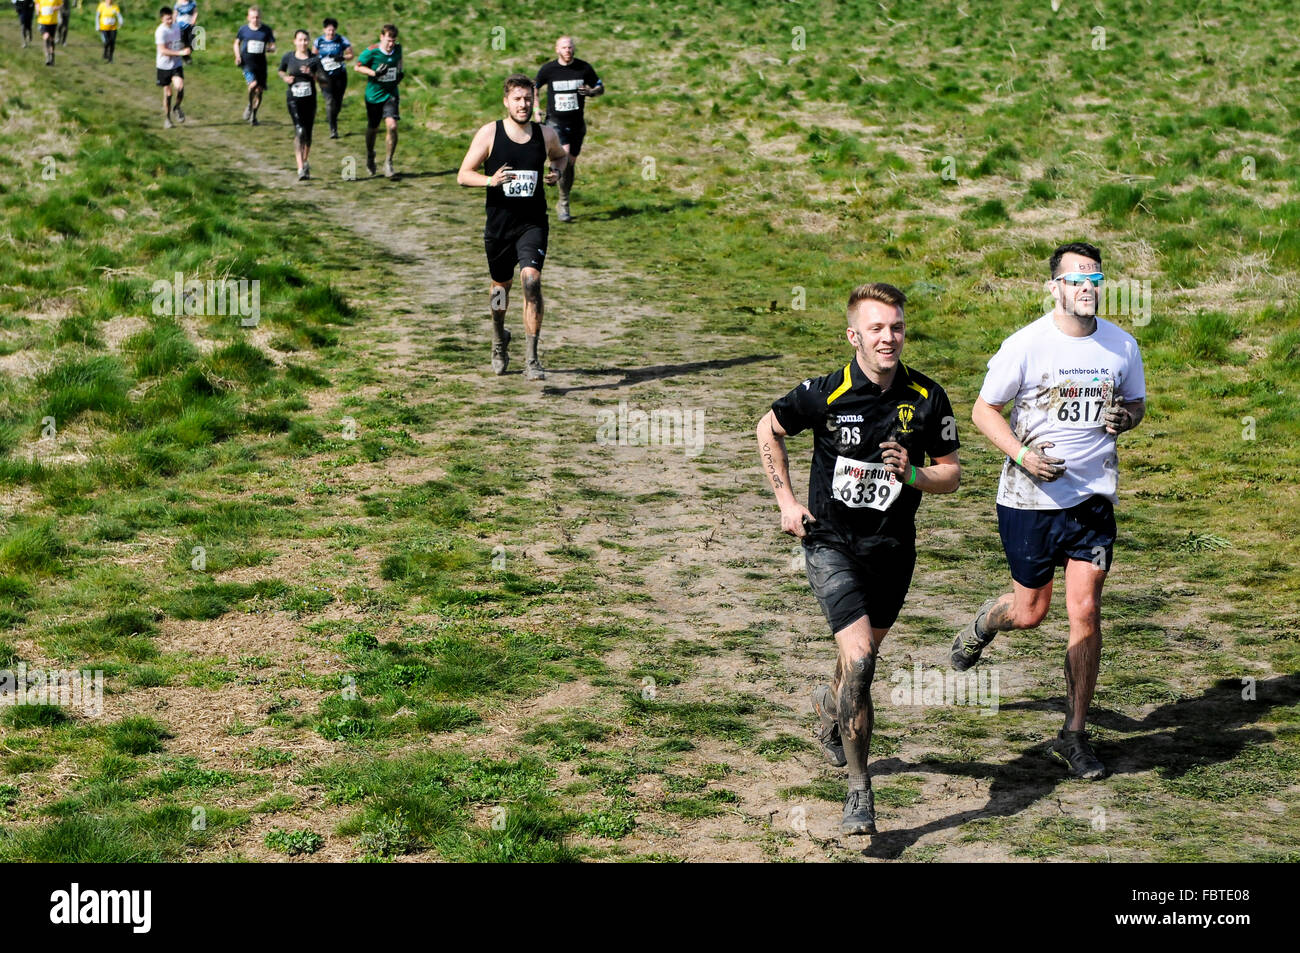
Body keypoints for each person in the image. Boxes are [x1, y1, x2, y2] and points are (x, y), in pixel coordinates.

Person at [757, 283, 961, 835]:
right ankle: (859, 789)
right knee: (864, 659)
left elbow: (952, 473)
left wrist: (913, 474)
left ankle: (830, 707)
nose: (888, 337)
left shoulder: (926, 397)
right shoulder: (827, 392)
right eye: (876, 328)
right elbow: (767, 428)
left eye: (895, 326)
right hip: (831, 543)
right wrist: (787, 503)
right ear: (854, 336)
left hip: (893, 550)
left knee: (857, 667)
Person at [952, 241, 1146, 780]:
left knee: (1084, 612)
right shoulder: (1026, 345)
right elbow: (982, 409)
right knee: (1031, 612)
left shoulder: (1122, 346)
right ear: (1054, 287)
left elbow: (1136, 404)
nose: (1087, 287)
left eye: (1095, 279)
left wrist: (1125, 419)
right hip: (1029, 501)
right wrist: (1022, 454)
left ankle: (1074, 735)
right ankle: (989, 620)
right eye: (1076, 279)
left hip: (1091, 501)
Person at [457, 75, 568, 381]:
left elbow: (561, 157)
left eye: (528, 99)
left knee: (531, 281)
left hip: (532, 223)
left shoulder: (545, 134)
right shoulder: (490, 133)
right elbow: (464, 174)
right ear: (506, 101)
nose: (523, 104)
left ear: (534, 101)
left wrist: (556, 174)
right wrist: (491, 180)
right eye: (517, 99)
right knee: (500, 291)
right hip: (499, 227)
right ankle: (498, 338)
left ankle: (532, 358)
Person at [533, 35, 602, 223]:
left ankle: (563, 196)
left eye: (570, 47)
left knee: (570, 163)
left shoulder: (583, 68)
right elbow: (534, 87)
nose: (568, 50)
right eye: (564, 47)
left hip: (577, 124)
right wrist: (536, 110)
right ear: (557, 50)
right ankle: (562, 202)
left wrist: (592, 92)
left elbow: (599, 86)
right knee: (564, 154)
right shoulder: (549, 69)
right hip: (556, 122)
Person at [354, 24, 402, 177]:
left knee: (392, 126)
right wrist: (374, 73)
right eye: (388, 40)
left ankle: (388, 162)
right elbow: (358, 67)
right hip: (373, 96)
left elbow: (399, 60)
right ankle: (370, 154)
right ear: (381, 37)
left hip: (390, 94)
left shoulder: (398, 49)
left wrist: (399, 72)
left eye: (393, 41)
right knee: (373, 129)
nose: (391, 44)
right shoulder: (372, 51)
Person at [278, 30, 323, 180]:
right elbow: (280, 71)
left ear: (308, 42)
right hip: (293, 99)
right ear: (294, 41)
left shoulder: (315, 60)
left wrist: (311, 74)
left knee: (308, 135)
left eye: (305, 40)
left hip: (309, 101)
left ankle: (304, 161)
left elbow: (324, 81)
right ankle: (300, 168)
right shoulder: (288, 57)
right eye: (300, 40)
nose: (303, 43)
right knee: (299, 130)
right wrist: (285, 78)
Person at [233, 6, 275, 125]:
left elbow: (273, 45)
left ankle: (254, 115)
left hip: (261, 65)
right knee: (253, 85)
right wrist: (237, 56)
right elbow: (236, 43)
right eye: (252, 17)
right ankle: (250, 105)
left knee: (259, 91)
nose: (255, 20)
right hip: (247, 63)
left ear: (260, 17)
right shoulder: (243, 30)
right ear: (248, 18)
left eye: (257, 17)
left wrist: (270, 49)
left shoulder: (266, 30)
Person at [313, 17, 353, 139]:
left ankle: (333, 117)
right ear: (324, 29)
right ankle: (333, 129)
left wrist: (342, 58)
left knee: (338, 101)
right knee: (329, 100)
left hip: (340, 75)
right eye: (328, 30)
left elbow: (351, 55)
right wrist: (315, 72)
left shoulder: (342, 40)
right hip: (324, 76)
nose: (331, 33)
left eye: (333, 30)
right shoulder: (319, 41)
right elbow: (313, 57)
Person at [155, 6, 190, 128]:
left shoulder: (176, 27)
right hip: (163, 66)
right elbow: (163, 50)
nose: (170, 21)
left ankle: (177, 107)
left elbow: (178, 42)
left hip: (176, 64)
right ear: (162, 19)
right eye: (167, 19)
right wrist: (180, 53)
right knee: (168, 93)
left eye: (171, 18)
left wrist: (185, 49)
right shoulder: (160, 32)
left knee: (180, 86)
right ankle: (167, 119)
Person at [36, 0, 60, 64]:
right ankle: (47, 57)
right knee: (46, 37)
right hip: (42, 21)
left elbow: (61, 5)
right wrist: (37, 10)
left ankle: (52, 55)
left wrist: (56, 8)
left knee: (51, 40)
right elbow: (37, 3)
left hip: (53, 21)